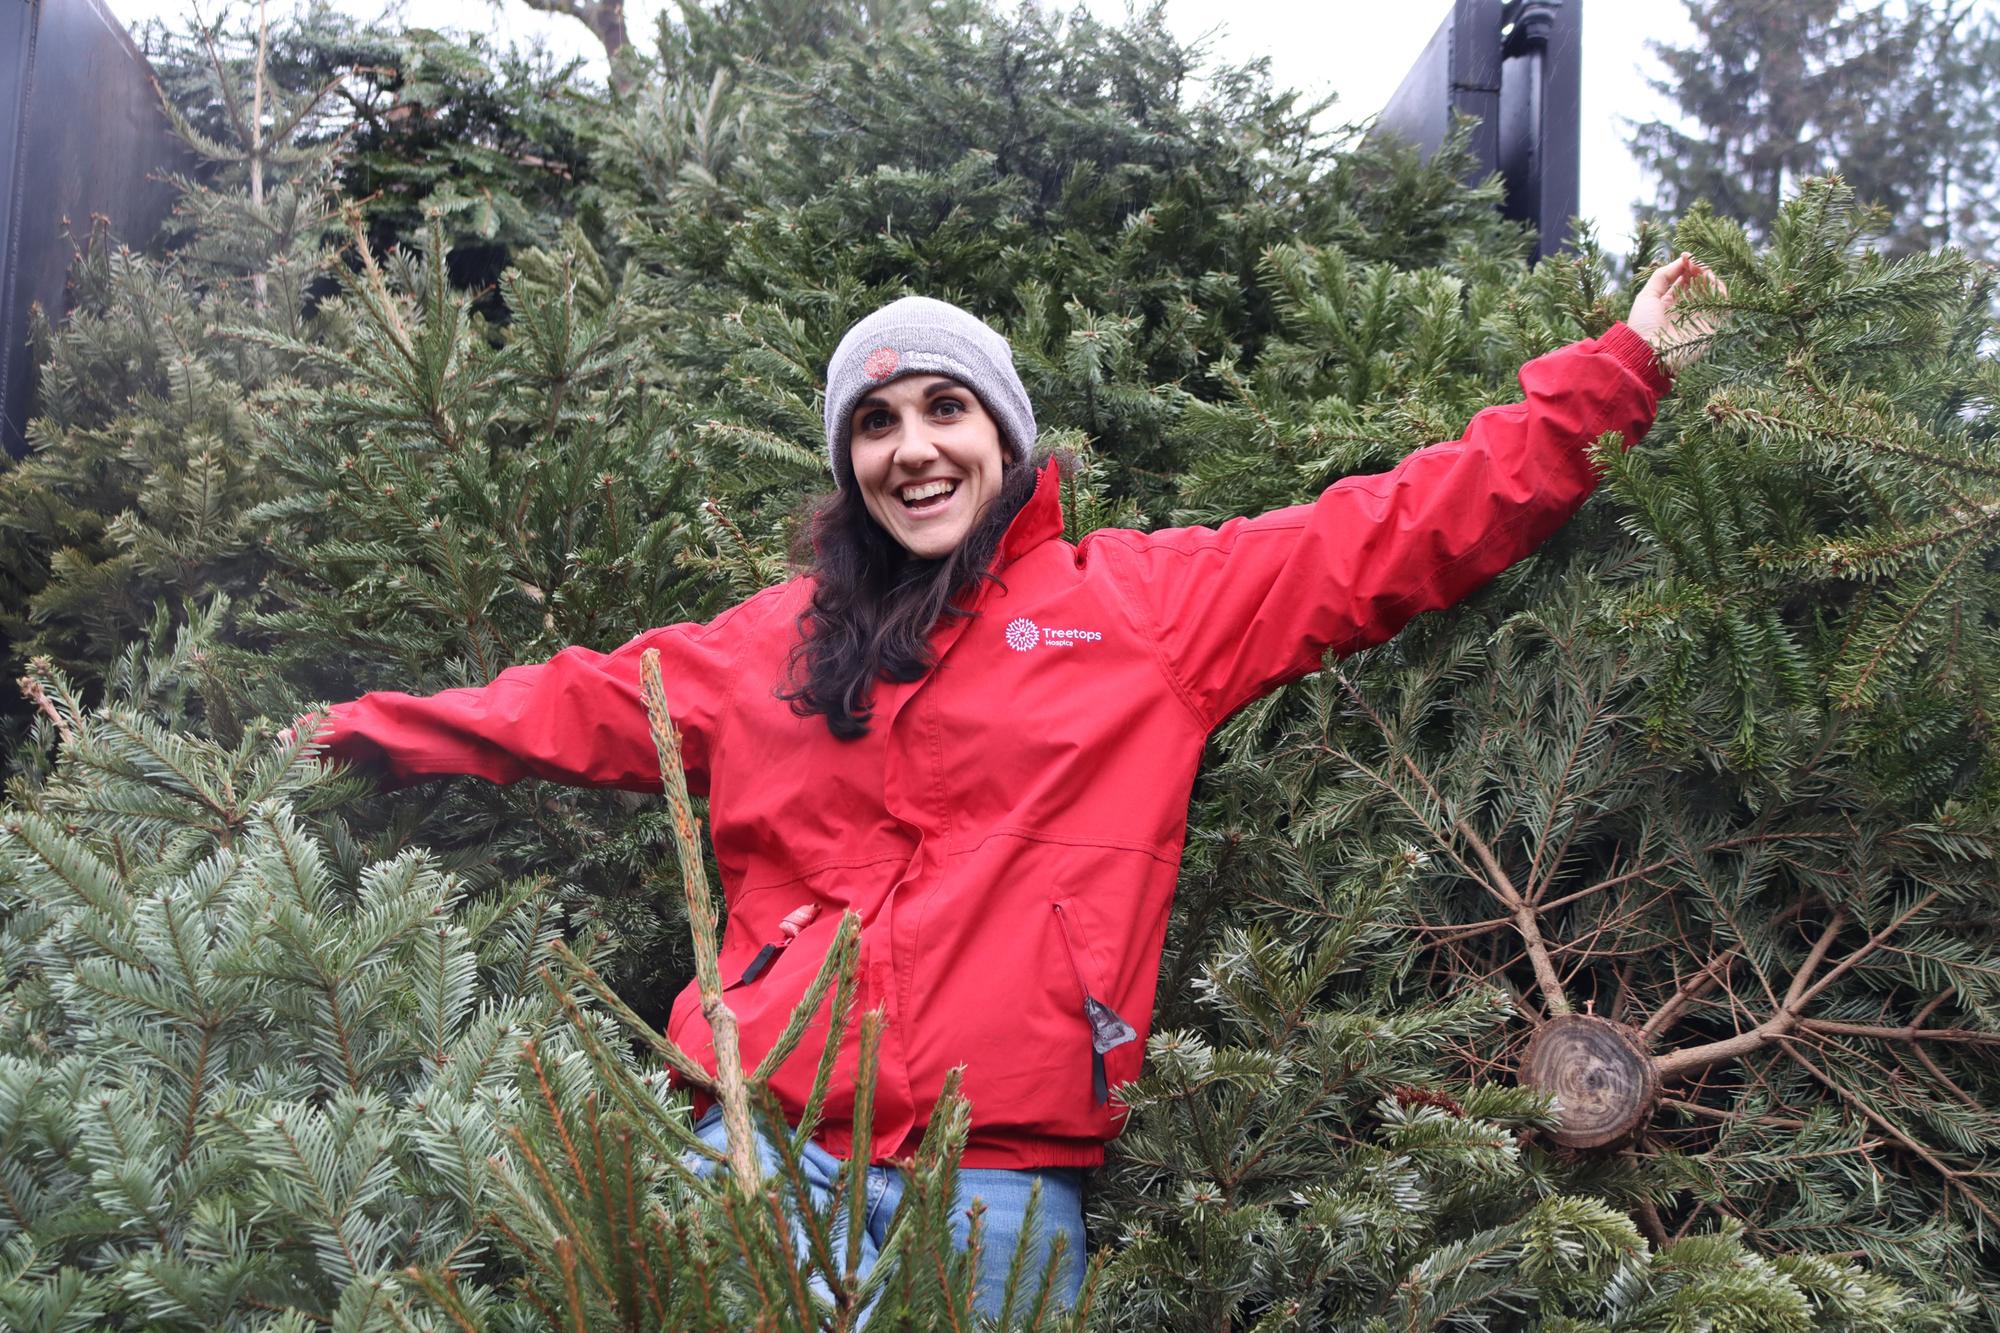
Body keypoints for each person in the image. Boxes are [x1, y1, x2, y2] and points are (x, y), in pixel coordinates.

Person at [306, 256, 1724, 1313]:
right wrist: (365, 724)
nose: (911, 446)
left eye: (944, 408)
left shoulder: (1145, 611)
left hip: (991, 1189)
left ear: (1008, 434)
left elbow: (1401, 528)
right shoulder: (768, 646)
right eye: (876, 425)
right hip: (746, 1150)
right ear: (848, 465)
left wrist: (1625, 369)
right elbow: (566, 702)